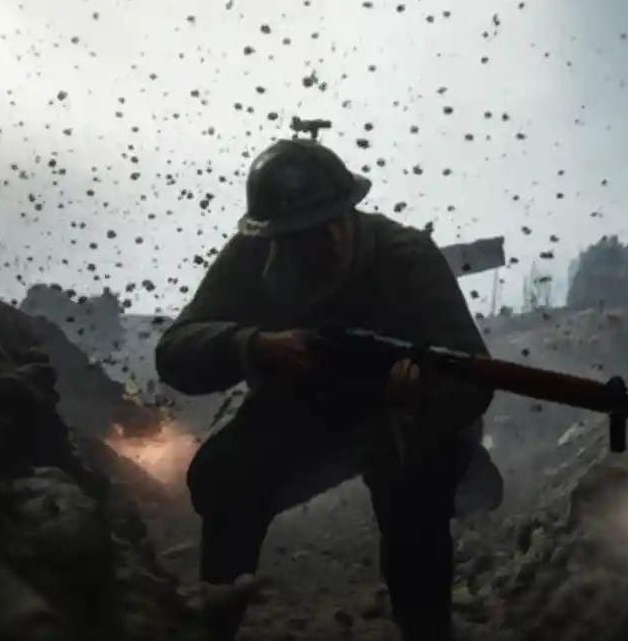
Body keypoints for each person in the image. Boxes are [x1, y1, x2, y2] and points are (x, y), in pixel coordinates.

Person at [155, 135, 503, 640]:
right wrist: (252, 345)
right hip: (309, 409)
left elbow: (470, 373)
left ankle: (425, 626)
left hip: (402, 415)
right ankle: (218, 614)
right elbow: (175, 351)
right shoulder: (253, 255)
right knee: (224, 474)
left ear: (349, 214)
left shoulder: (407, 255)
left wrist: (421, 394)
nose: (319, 244)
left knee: (412, 486)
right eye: (299, 236)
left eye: (327, 226)